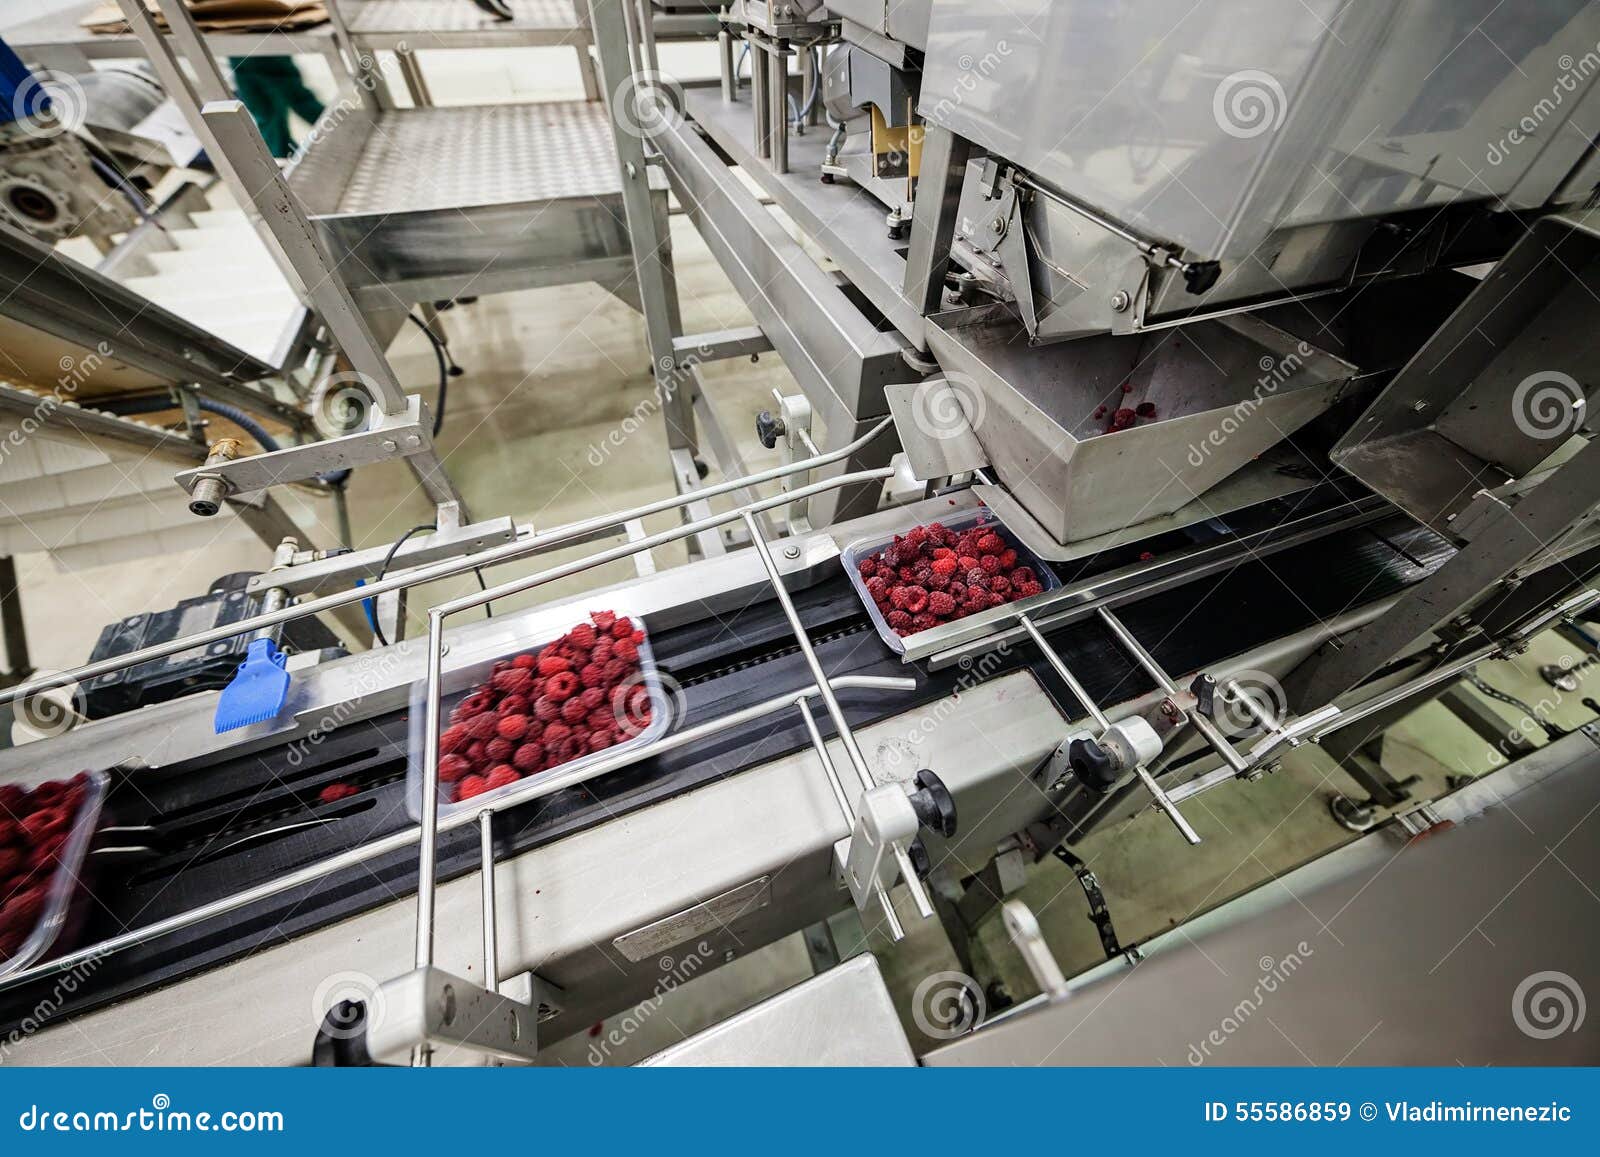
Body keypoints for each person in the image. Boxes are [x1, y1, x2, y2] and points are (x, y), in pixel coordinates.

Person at [227, 55, 325, 158]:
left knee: (298, 100)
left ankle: (339, 129)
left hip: (262, 52)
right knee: (265, 114)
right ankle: (284, 157)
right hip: (237, 55)